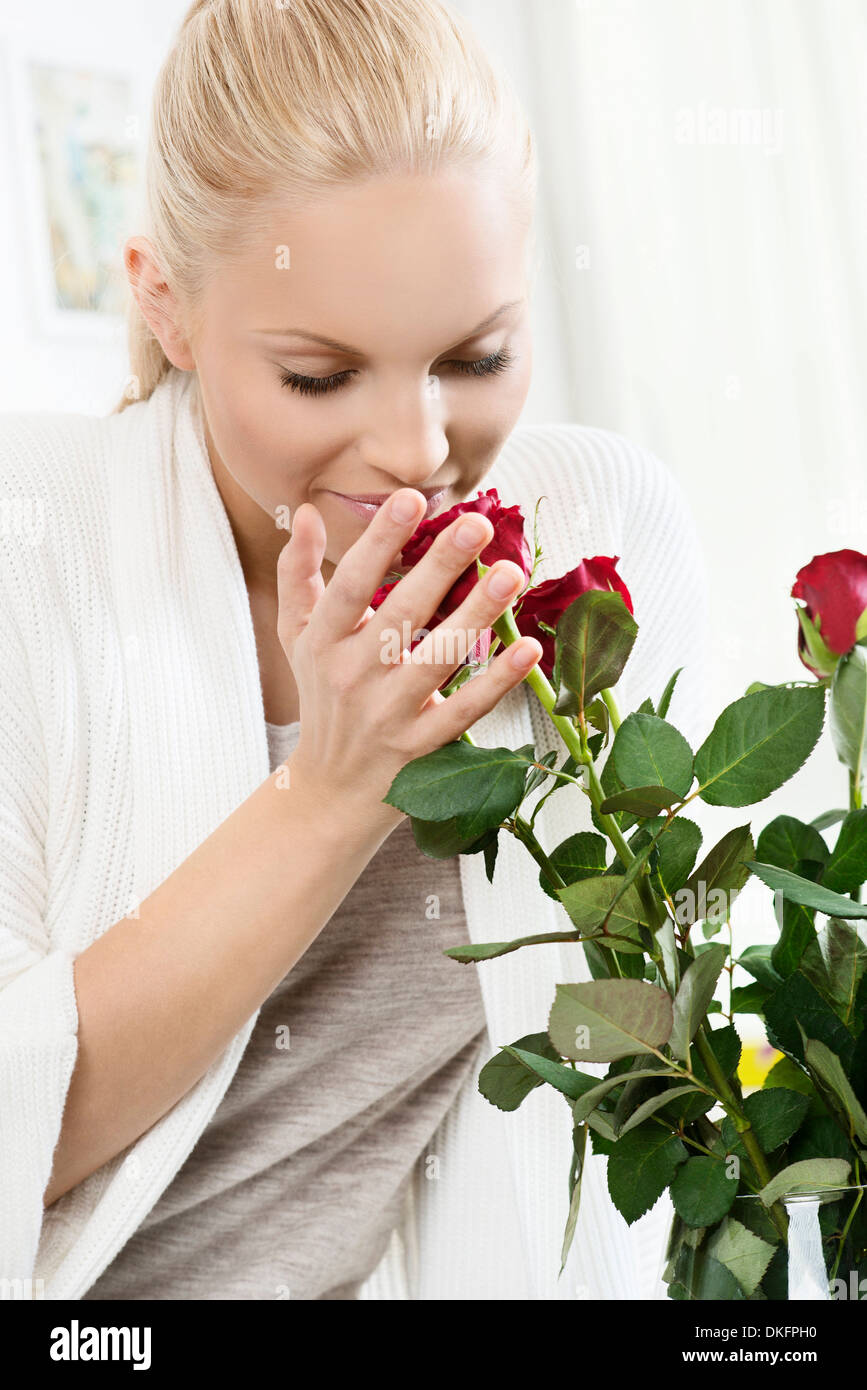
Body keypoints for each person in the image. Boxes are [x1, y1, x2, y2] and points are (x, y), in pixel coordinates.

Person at [0, 0, 709, 1300]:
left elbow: (652, 1029)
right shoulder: (25, 543)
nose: (418, 449)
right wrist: (326, 791)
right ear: (164, 300)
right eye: (321, 377)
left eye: (476, 354)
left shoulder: (597, 530)